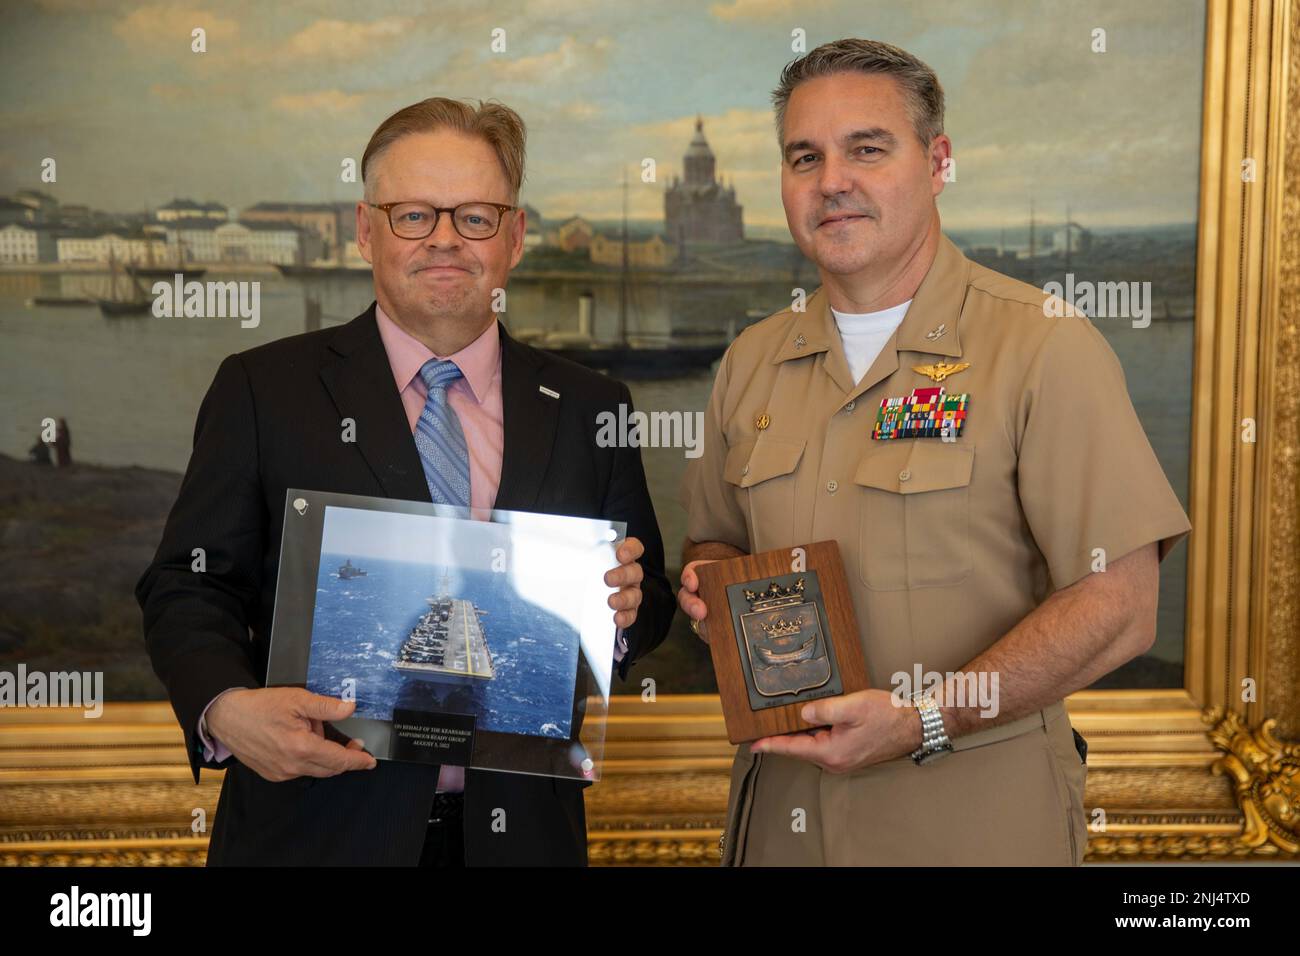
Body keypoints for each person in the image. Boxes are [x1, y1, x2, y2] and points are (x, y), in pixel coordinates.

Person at [677, 38, 1191, 865]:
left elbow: (1121, 608)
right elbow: (712, 541)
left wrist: (926, 717)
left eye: (867, 149)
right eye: (804, 157)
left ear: (938, 161)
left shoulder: (1043, 347)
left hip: (973, 826)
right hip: (782, 826)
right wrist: (710, 584)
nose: (832, 180)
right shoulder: (751, 361)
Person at [136, 97, 675, 866]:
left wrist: (623, 610)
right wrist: (225, 708)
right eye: (414, 215)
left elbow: (645, 600)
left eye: (477, 217)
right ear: (366, 231)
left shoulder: (592, 404)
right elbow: (187, 586)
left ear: (515, 236)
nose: (446, 240)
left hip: (521, 837)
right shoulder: (264, 389)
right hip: (313, 830)